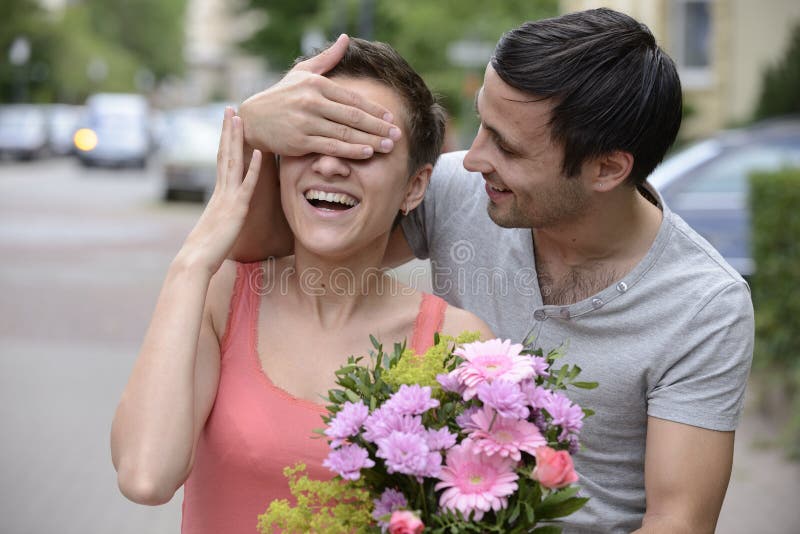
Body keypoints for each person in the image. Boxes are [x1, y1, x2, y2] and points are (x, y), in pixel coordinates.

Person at [233, 9, 755, 534]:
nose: (475, 157)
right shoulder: (464, 192)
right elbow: (272, 252)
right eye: (482, 122)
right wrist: (250, 129)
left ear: (607, 169)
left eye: (506, 145)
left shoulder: (704, 306)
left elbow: (677, 520)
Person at [110, 38, 492, 533]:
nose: (331, 164)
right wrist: (193, 260)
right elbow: (146, 477)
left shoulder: (458, 345)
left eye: (365, 146)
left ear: (414, 187)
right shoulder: (221, 298)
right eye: (310, 140)